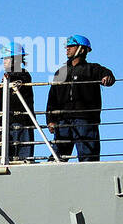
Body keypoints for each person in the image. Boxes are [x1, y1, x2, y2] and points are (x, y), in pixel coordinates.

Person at [45, 34, 114, 162]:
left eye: (71, 46)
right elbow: (52, 98)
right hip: (63, 120)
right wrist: (50, 119)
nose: (67, 49)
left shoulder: (93, 69)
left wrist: (107, 78)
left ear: (82, 49)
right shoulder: (61, 72)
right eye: (67, 46)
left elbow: (108, 75)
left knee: (88, 158)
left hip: (85, 120)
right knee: (56, 159)